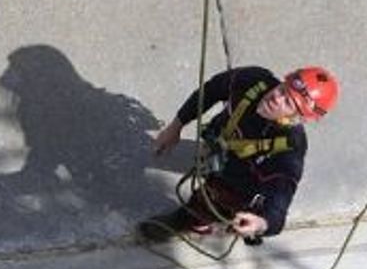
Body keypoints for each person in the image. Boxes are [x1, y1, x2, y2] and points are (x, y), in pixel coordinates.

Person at [139, 65, 339, 242]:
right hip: (219, 144)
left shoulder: (288, 149)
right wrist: (176, 127)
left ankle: (189, 219)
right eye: (282, 89)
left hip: (240, 182)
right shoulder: (253, 80)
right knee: (211, 164)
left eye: (288, 103)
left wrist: (261, 224)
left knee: (211, 203)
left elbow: (280, 199)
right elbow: (210, 90)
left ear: (296, 118)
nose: (276, 97)